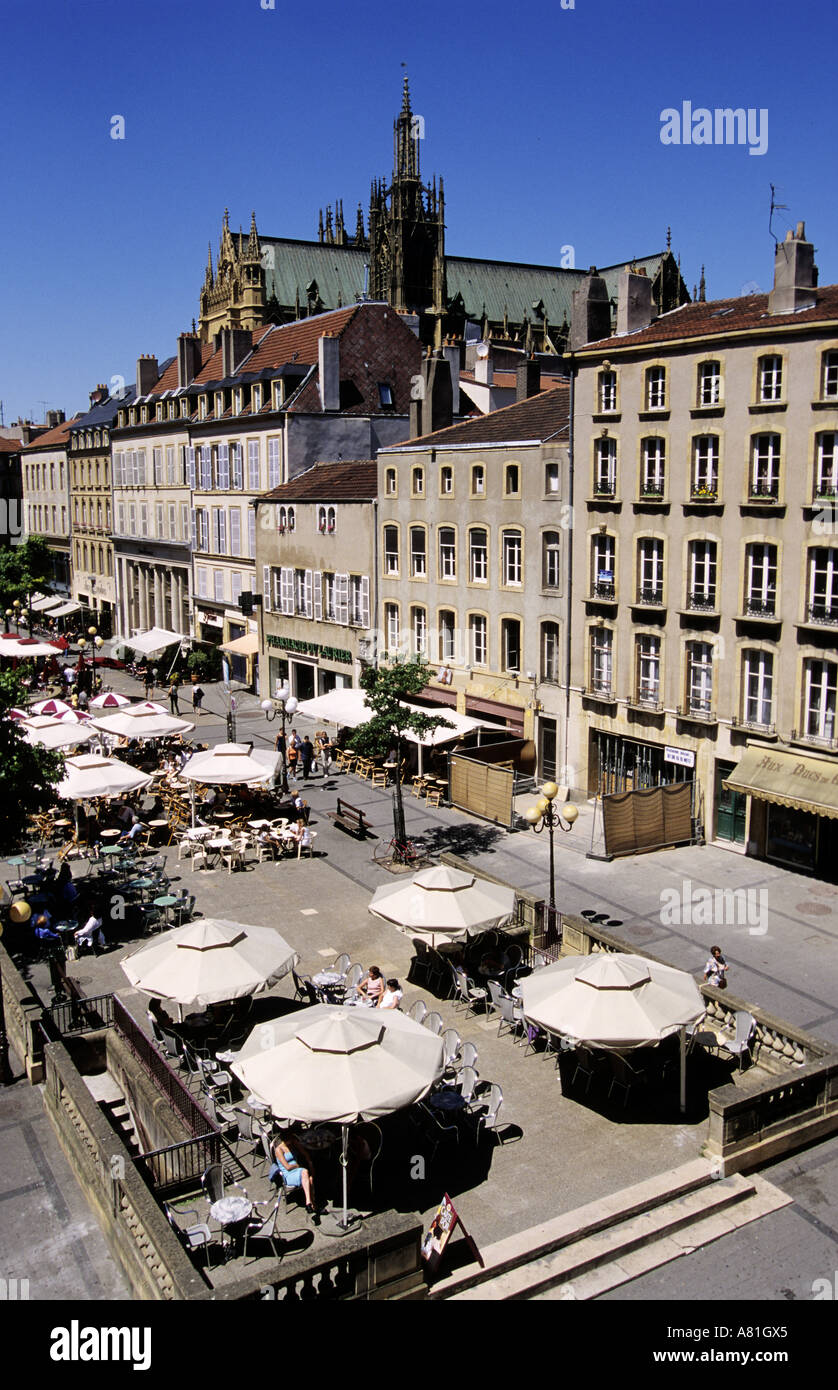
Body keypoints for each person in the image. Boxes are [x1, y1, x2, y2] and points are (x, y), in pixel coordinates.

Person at [269, 1132, 318, 1220]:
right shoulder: (278, 1150)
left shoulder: (293, 1144)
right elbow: (287, 1167)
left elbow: (305, 1154)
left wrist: (309, 1161)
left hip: (297, 1171)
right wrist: (297, 1166)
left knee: (309, 1178)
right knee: (305, 1172)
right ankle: (310, 1203)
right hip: (288, 1174)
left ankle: (311, 1204)